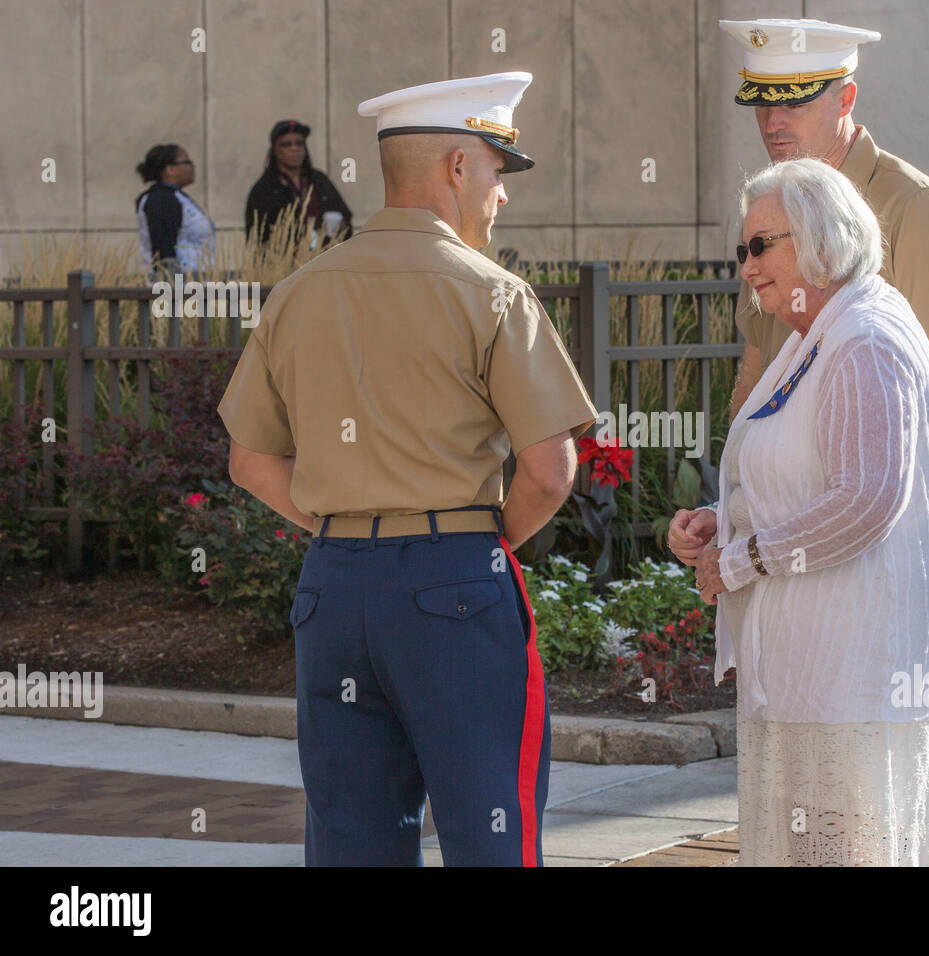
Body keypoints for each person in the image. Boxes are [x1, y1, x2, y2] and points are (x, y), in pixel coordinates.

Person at [217, 72, 597, 866]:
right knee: (489, 827)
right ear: (459, 167)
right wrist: (478, 541)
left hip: (333, 588)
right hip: (454, 582)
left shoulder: (298, 293)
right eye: (497, 172)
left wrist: (347, 526)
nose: (502, 195)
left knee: (352, 841)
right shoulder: (492, 294)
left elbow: (250, 462)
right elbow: (551, 470)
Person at [669, 158, 929, 866]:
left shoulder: (863, 338)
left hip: (853, 671)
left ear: (819, 236)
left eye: (762, 246)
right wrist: (724, 516)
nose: (747, 267)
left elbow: (865, 501)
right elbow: (806, 471)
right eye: (744, 250)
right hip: (817, 670)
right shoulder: (819, 332)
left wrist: (739, 560)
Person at [719, 17, 929, 424]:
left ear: (846, 100)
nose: (773, 124)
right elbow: (758, 363)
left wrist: (875, 479)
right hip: (780, 481)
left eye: (794, 103)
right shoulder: (771, 208)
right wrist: (739, 473)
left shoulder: (914, 204)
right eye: (763, 103)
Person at [244, 119, 353, 246]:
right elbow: (256, 237)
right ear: (275, 150)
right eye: (286, 144)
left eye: (299, 143)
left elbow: (345, 215)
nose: (294, 148)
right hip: (285, 262)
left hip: (325, 256)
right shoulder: (264, 189)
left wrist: (341, 226)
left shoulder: (318, 180)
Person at [134, 143, 215, 274]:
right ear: (170, 169)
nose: (192, 166)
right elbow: (163, 250)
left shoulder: (177, 197)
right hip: (179, 287)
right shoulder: (160, 200)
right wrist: (172, 287)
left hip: (194, 285)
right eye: (187, 162)